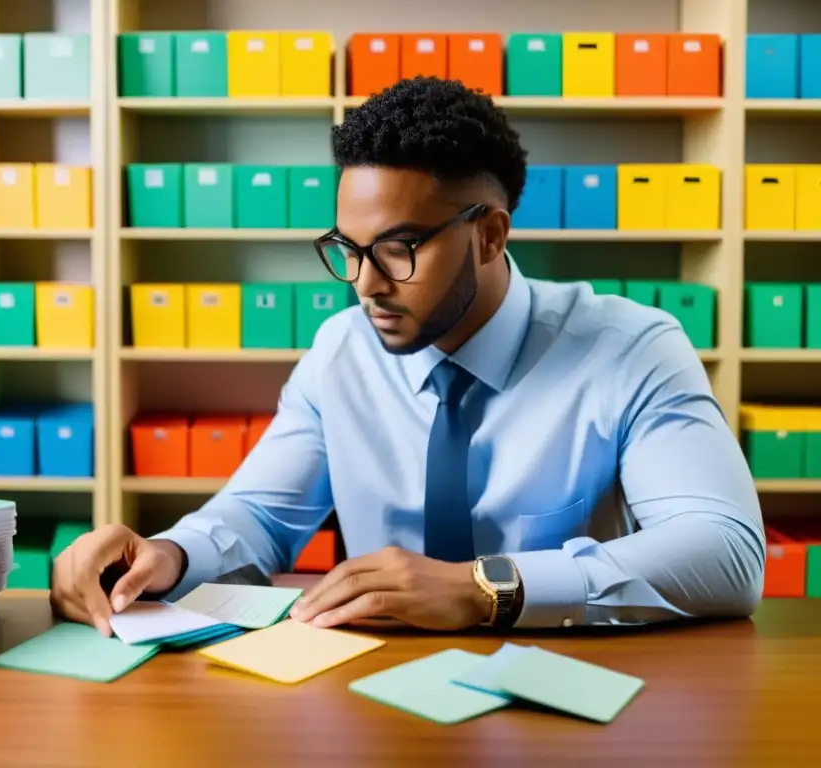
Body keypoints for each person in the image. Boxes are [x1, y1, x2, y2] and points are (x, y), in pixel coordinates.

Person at [52, 77, 765, 638]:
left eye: (399, 249)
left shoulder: (632, 348)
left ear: (489, 235)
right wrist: (168, 556)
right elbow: (260, 518)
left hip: (568, 684)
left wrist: (484, 588)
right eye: (350, 249)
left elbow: (725, 554)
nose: (365, 283)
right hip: (373, 693)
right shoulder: (342, 351)